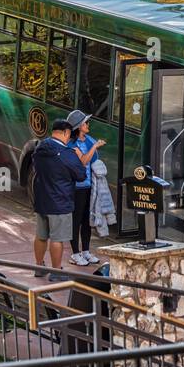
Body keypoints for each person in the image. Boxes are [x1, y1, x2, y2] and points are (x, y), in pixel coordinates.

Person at [31, 119, 86, 277]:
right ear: (66, 133)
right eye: (69, 135)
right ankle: (56, 271)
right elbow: (81, 175)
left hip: (41, 199)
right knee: (57, 238)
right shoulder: (67, 153)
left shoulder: (40, 147)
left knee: (41, 236)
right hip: (60, 201)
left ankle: (39, 267)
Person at [66, 109, 106, 266]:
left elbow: (94, 159)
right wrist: (95, 146)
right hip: (76, 188)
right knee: (76, 220)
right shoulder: (71, 143)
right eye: (86, 123)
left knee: (86, 219)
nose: (88, 125)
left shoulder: (88, 140)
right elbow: (83, 161)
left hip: (89, 186)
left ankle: (86, 251)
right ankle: (75, 253)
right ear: (78, 126)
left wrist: (93, 147)